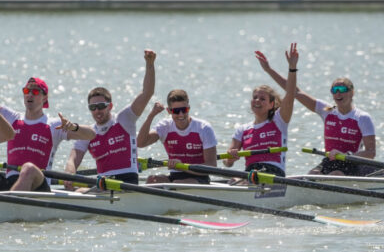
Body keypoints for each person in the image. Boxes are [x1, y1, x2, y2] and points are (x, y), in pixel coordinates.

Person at [0, 36, 96, 192]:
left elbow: (91, 134)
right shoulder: (12, 118)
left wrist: (72, 127)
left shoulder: (54, 125)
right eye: (27, 91)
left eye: (35, 91)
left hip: (37, 184)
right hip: (11, 181)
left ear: (45, 97)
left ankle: (7, 207)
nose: (29, 95)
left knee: (28, 169)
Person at [255, 50, 376, 176]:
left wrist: (346, 155)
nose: (338, 93)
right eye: (334, 90)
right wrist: (269, 69)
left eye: (342, 89)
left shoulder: (362, 118)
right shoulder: (327, 111)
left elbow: (371, 153)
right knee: (311, 175)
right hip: (330, 160)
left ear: (352, 93)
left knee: (335, 175)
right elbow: (295, 92)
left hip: (352, 163)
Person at [64, 50, 156, 187]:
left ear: (110, 106)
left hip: (127, 182)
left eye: (101, 106)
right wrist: (69, 174)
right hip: (103, 184)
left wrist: (150, 64)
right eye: (92, 108)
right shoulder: (88, 133)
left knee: (81, 192)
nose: (97, 111)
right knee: (76, 191)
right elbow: (72, 159)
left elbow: (147, 93)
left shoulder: (125, 119)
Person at [223, 43, 299, 177]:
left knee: (247, 179)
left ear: (271, 104)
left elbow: (291, 94)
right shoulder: (242, 130)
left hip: (273, 172)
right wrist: (230, 157)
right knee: (236, 180)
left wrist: (292, 68)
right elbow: (227, 163)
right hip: (251, 172)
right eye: (255, 97)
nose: (257, 100)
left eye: (262, 99)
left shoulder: (279, 120)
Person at [136, 89, 217, 184]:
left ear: (189, 108)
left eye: (184, 110)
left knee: (178, 183)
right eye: (176, 111)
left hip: (199, 177)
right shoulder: (165, 126)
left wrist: (182, 166)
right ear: (169, 111)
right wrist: (151, 116)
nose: (181, 115)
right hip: (175, 176)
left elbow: (212, 166)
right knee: (152, 179)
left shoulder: (203, 128)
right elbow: (140, 143)